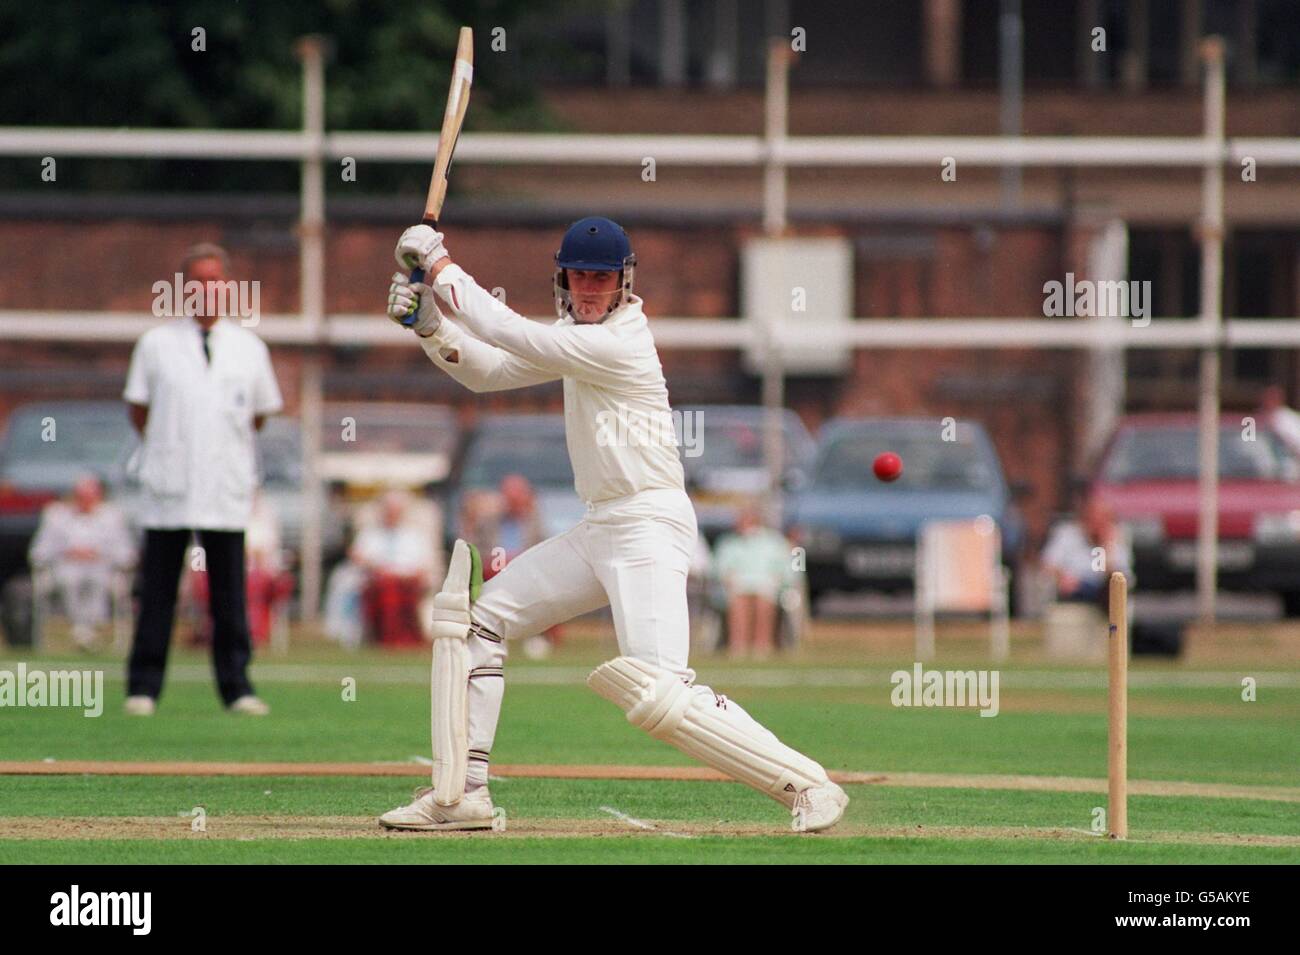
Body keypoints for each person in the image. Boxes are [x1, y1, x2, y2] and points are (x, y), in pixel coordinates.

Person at [378, 216, 848, 832]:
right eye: (580, 277)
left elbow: (510, 332)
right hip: (600, 526)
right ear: (564, 280)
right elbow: (490, 370)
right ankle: (464, 793)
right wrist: (430, 326)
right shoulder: (576, 335)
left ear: (624, 283)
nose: (590, 289)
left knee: (659, 693)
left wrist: (438, 266)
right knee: (480, 621)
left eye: (602, 278)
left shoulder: (620, 341)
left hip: (650, 524)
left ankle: (810, 786)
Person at [122, 242, 282, 716]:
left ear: (228, 286)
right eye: (197, 282)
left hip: (224, 485)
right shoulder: (156, 344)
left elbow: (257, 416)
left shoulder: (249, 348)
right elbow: (139, 409)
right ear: (183, 288)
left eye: (215, 281)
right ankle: (143, 687)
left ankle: (237, 687)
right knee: (157, 591)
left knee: (229, 592)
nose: (206, 290)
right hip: (170, 484)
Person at [28, 475, 135, 649]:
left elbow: (126, 553)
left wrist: (98, 553)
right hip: (66, 566)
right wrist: (67, 552)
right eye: (81, 496)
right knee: (70, 580)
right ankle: (84, 631)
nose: (85, 501)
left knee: (98, 581)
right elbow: (38, 551)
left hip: (102, 567)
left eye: (90, 497)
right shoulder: (56, 516)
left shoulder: (113, 517)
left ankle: (87, 629)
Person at [349, 490, 437, 647]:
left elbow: (425, 564)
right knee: (387, 589)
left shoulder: (414, 535)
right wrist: (376, 568)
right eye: (389, 510)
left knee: (394, 589)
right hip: (378, 581)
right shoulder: (370, 533)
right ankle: (387, 637)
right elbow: (358, 556)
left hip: (407, 582)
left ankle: (404, 637)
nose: (392, 515)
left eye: (395, 511)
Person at [712, 503, 795, 658]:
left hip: (767, 585)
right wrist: (728, 579)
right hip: (737, 586)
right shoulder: (728, 542)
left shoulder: (774, 541)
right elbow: (719, 568)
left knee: (763, 602)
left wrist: (779, 581)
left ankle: (761, 647)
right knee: (738, 602)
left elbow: (789, 568)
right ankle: (738, 647)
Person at [1040, 495, 1133, 606]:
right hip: (1072, 592)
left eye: (1101, 520)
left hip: (1101, 597)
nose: (1096, 524)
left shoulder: (1115, 539)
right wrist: (1062, 577)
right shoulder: (1067, 533)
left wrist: (1105, 547)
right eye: (1092, 518)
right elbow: (1048, 564)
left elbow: (1121, 578)